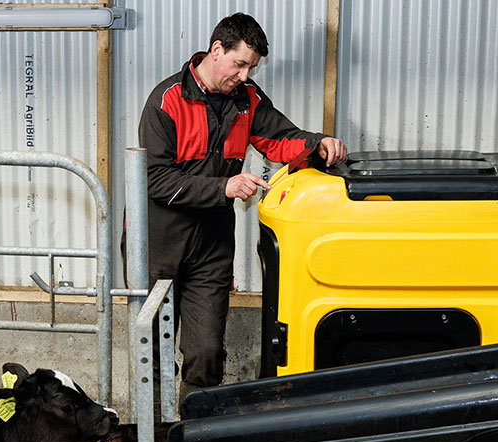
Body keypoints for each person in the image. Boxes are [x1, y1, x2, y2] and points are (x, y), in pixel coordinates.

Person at [138, 12, 347, 396]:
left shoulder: (246, 100)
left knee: (207, 351)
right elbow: (156, 179)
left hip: (211, 246)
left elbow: (282, 139)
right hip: (158, 243)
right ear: (216, 50)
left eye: (251, 67)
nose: (246, 75)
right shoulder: (166, 101)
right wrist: (225, 187)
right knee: (151, 349)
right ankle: (150, 439)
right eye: (240, 64)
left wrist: (317, 143)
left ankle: (196, 436)